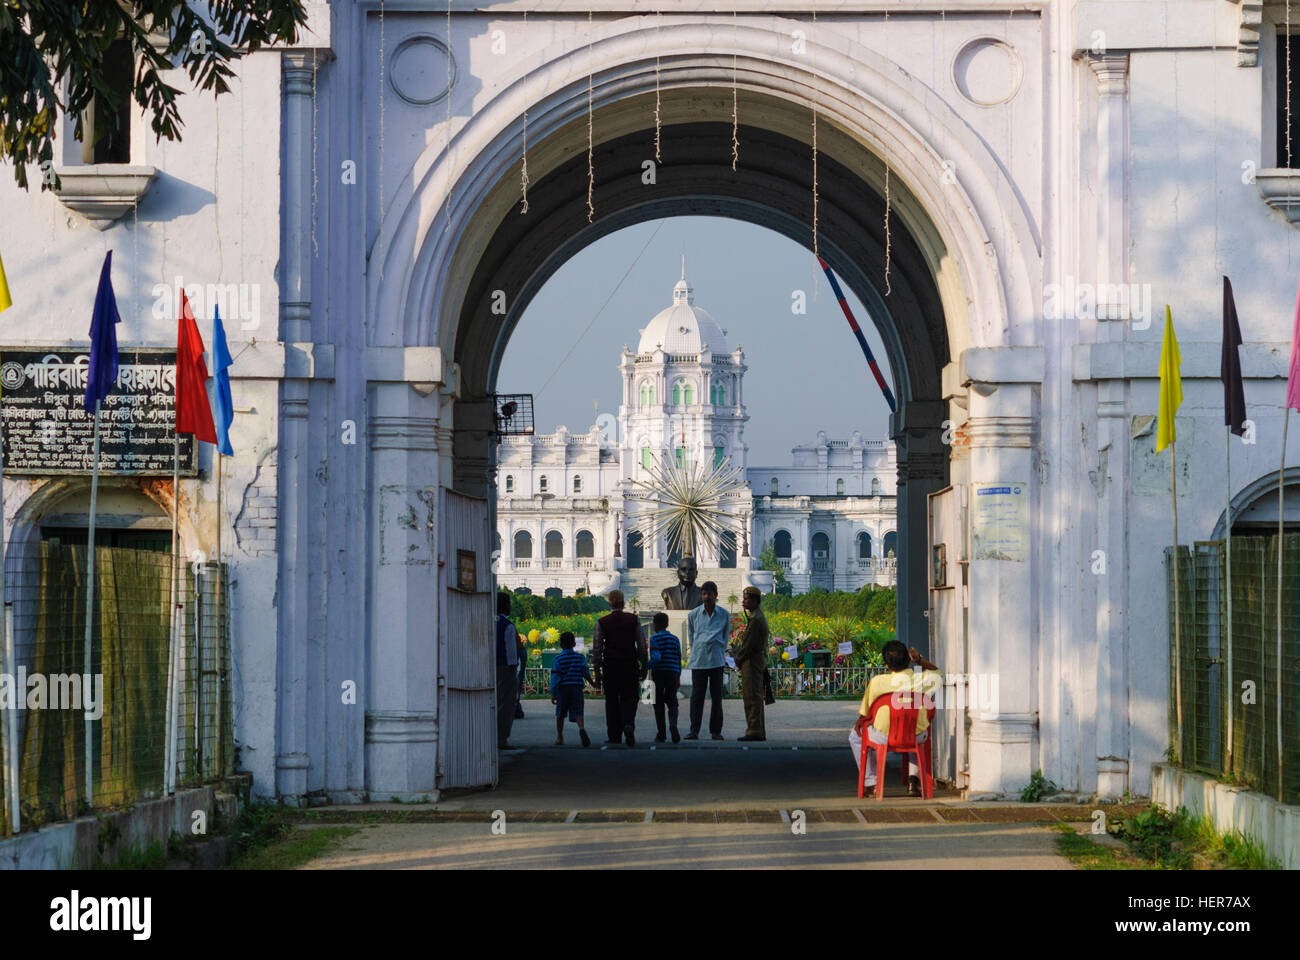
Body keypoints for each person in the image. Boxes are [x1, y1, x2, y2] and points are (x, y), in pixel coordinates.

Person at [850, 641, 941, 796]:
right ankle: (913, 779)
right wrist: (919, 660)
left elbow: (866, 713)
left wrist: (860, 721)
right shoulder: (921, 680)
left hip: (883, 737)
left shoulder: (878, 682)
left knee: (854, 737)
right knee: (913, 727)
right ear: (908, 659)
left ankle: (871, 783)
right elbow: (938, 673)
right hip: (916, 736)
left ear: (887, 664)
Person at [592, 590, 649, 747]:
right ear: (623, 603)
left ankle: (614, 735)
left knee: (611, 701)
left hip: (610, 665)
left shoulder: (602, 622)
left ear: (609, 603)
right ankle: (628, 723)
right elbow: (641, 644)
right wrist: (644, 665)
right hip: (629, 663)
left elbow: (597, 648)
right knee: (630, 697)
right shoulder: (633, 620)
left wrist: (597, 670)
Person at [684, 580, 729, 740]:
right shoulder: (693, 614)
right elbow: (691, 636)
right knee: (697, 696)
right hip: (699, 659)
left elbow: (725, 636)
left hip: (716, 659)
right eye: (704, 594)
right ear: (701, 595)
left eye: (710, 594)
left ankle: (716, 731)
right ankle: (694, 730)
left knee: (717, 697)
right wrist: (697, 648)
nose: (706, 597)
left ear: (716, 595)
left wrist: (720, 650)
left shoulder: (724, 614)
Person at [731, 586, 770, 741]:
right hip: (754, 660)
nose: (744, 601)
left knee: (752, 696)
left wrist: (738, 659)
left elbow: (749, 646)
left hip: (752, 661)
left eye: (746, 599)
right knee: (755, 695)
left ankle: (754, 730)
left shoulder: (756, 620)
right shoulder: (755, 616)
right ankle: (757, 729)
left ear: (754, 601)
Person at [550, 631, 593, 747]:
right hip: (577, 687)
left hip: (563, 689)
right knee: (578, 710)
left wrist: (553, 693)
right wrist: (592, 683)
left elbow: (555, 677)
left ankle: (560, 736)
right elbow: (585, 672)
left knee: (560, 713)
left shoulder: (558, 659)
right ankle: (582, 728)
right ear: (574, 643)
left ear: (561, 645)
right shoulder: (579, 657)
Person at [647, 611, 683, 743]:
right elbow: (679, 658)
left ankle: (661, 734)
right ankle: (673, 725)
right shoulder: (675, 639)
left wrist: (646, 666)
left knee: (658, 703)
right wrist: (678, 676)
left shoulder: (654, 638)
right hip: (673, 672)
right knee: (672, 701)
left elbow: (656, 658)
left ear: (655, 625)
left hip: (659, 673)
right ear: (667, 624)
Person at [495, 592, 520, 749]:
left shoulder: (488, 620)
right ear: (505, 605)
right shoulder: (507, 625)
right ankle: (501, 738)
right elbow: (511, 652)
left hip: (489, 666)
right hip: (505, 668)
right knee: (505, 704)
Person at [515, 629, 527, 719]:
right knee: (517, 691)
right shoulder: (523, 650)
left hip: (516, 674)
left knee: (516, 691)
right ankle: (517, 710)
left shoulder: (518, 650)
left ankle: (516, 710)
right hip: (519, 673)